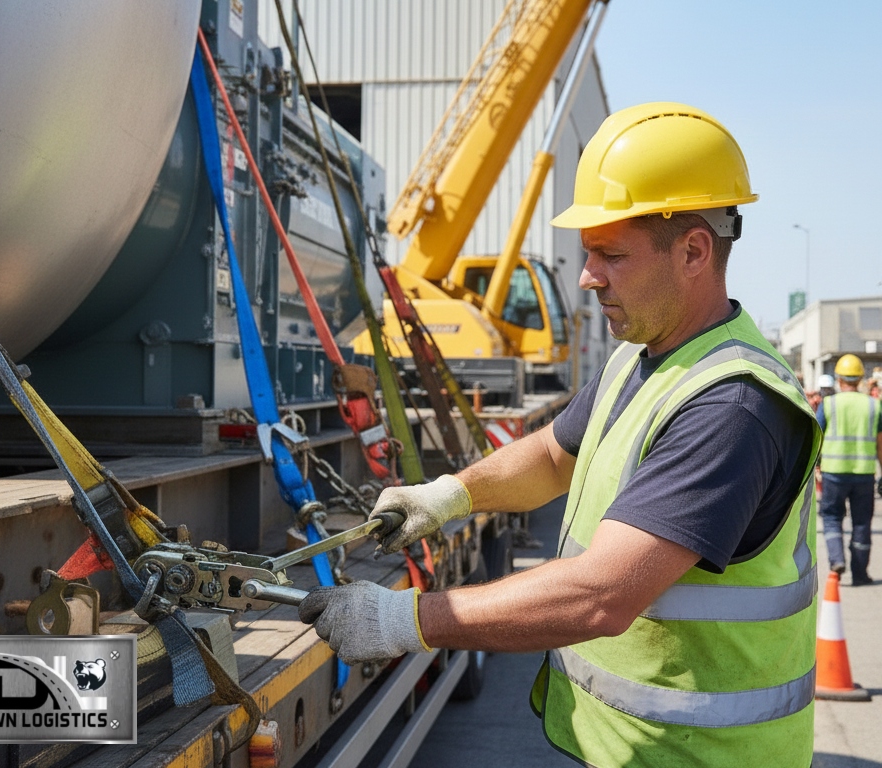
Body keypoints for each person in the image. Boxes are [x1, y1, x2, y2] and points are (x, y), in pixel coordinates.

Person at [299, 103, 822, 767]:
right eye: (587, 254)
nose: (587, 276)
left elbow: (602, 595)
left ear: (693, 251)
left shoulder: (733, 407)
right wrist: (450, 494)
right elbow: (552, 456)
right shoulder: (641, 356)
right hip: (632, 748)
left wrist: (403, 621)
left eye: (612, 255)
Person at [816, 353, 882, 585]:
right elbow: (880, 444)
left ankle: (836, 561)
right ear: (861, 379)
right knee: (862, 523)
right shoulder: (874, 406)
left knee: (832, 517)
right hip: (864, 473)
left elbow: (817, 437)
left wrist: (815, 465)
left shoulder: (829, 403)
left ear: (839, 378)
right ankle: (860, 574)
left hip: (834, 472)